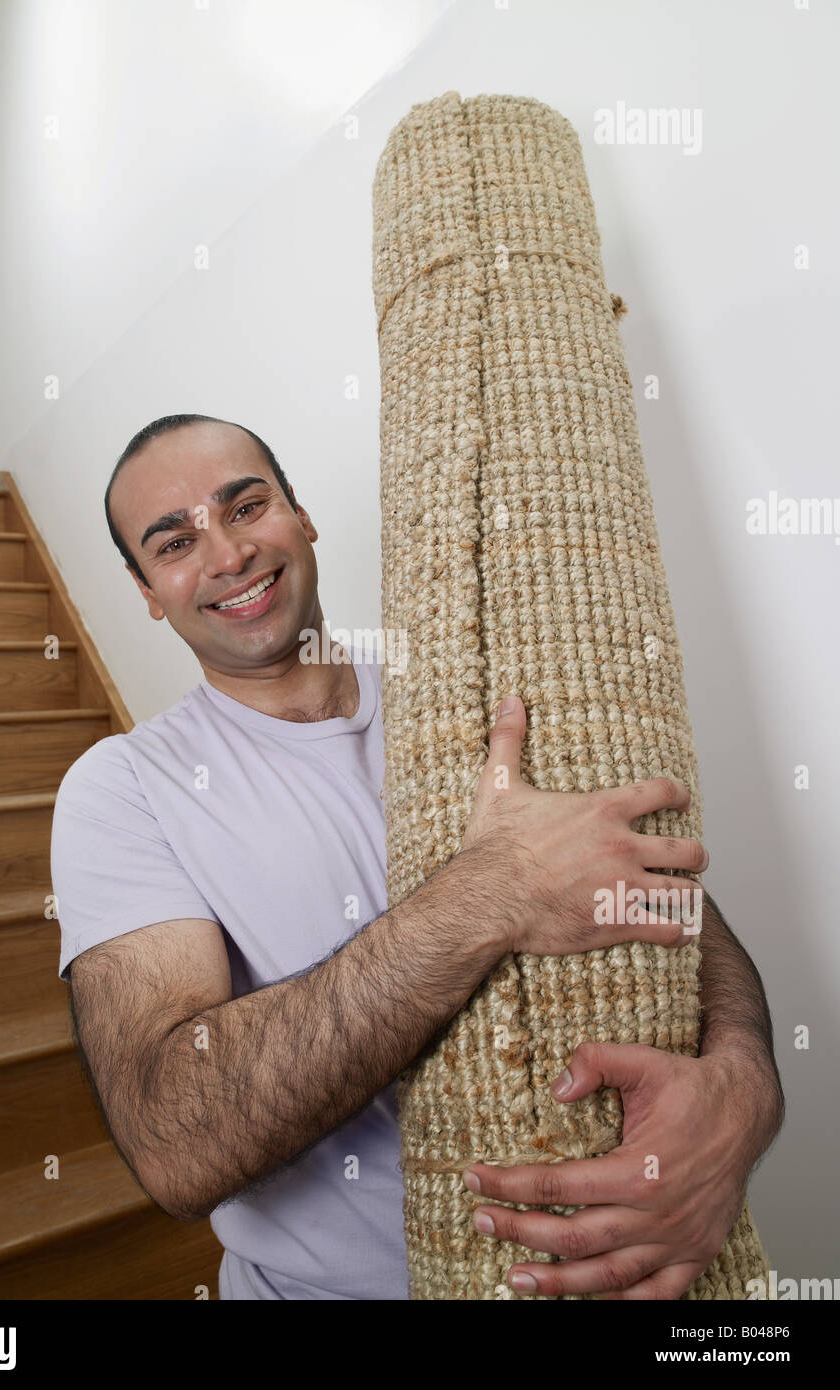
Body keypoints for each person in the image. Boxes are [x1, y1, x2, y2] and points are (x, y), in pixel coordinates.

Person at [51, 413, 784, 1301]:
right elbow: (174, 1139)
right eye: (174, 543)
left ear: (300, 513)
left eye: (246, 507)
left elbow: (664, 892)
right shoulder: (124, 789)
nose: (228, 555)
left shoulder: (469, 683)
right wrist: (492, 893)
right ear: (145, 589)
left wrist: (743, 1087)